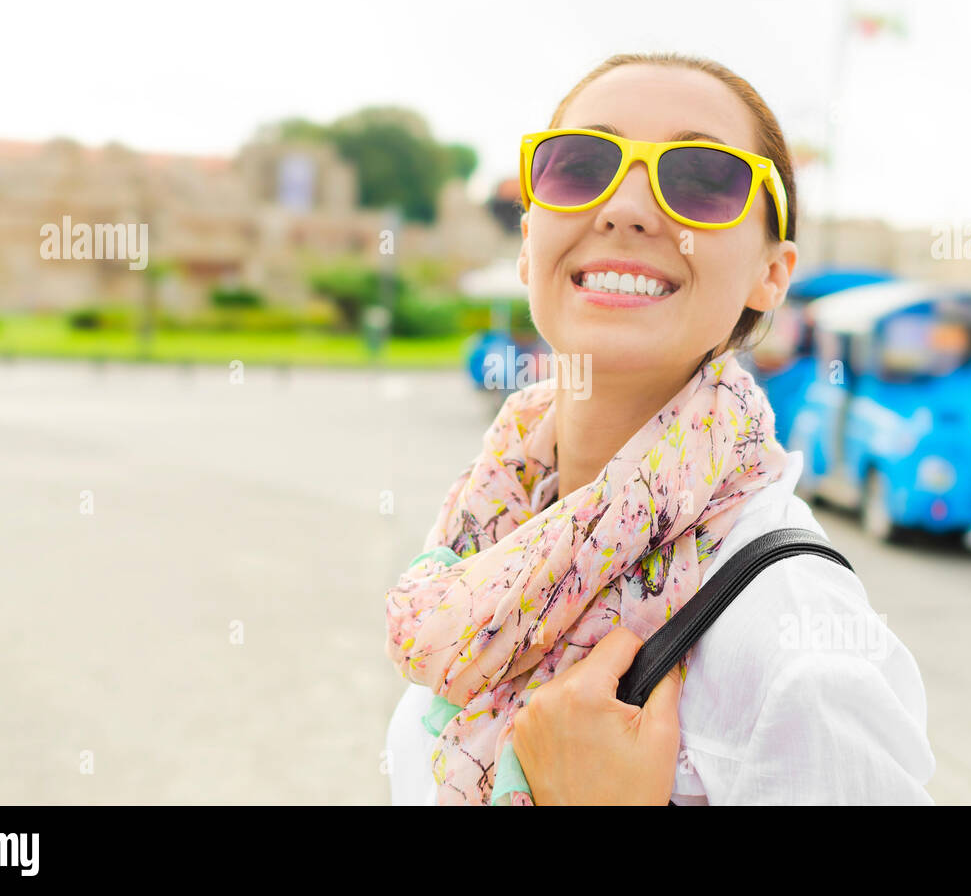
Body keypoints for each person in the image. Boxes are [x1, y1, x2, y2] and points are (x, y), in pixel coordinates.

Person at [383, 51, 936, 805]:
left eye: (703, 179)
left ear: (772, 273)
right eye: (580, 167)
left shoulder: (798, 654)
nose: (627, 208)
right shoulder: (495, 531)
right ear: (526, 239)